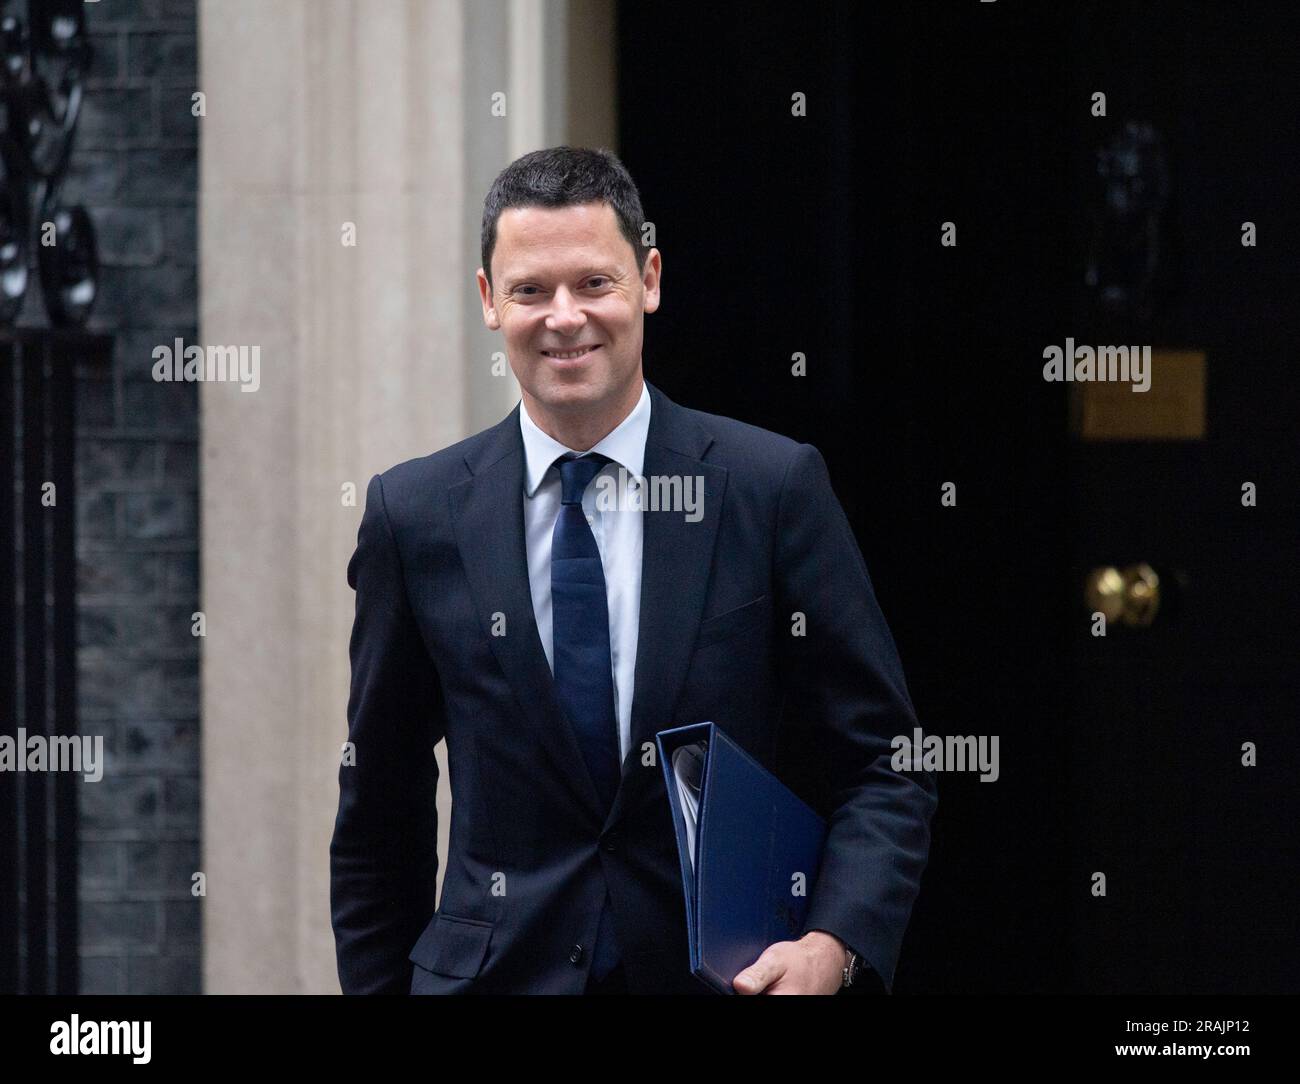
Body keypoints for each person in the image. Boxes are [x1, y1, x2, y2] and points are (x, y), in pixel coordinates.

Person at [329, 146, 937, 995]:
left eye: (595, 283)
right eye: (531, 290)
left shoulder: (769, 489)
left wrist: (831, 947)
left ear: (648, 279)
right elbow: (378, 810)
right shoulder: (415, 514)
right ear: (487, 301)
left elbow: (885, 762)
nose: (564, 316)